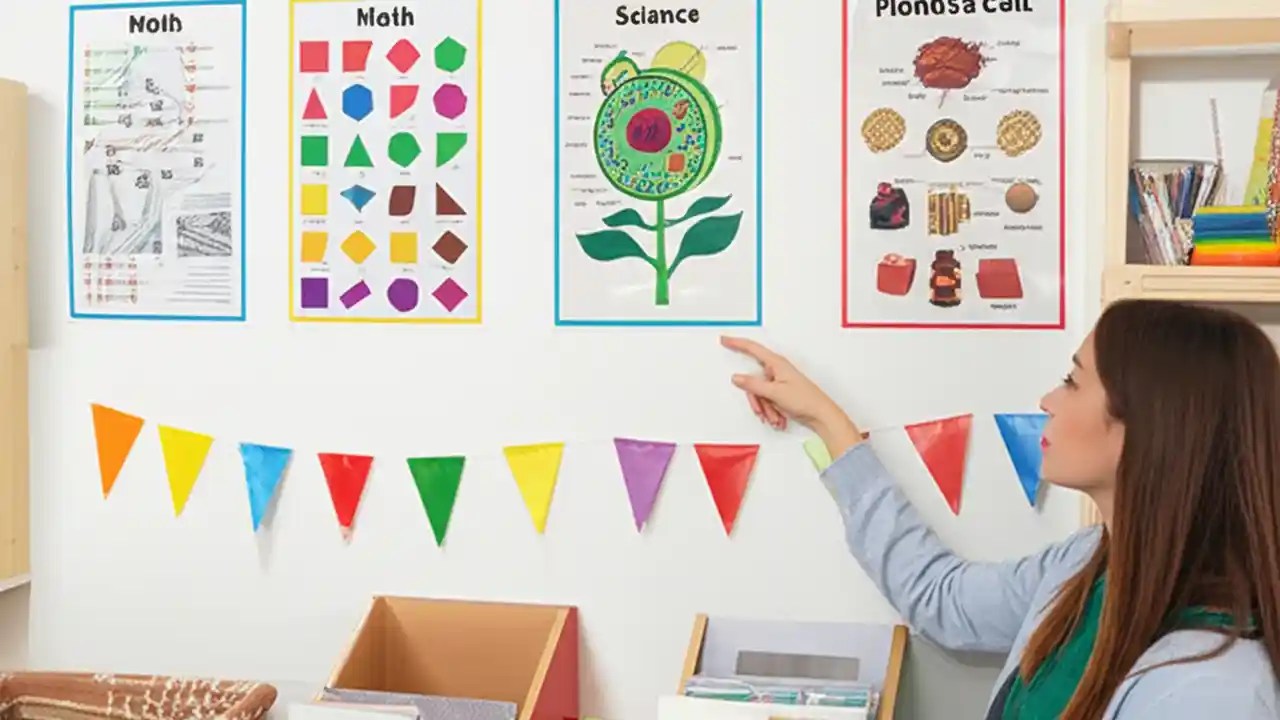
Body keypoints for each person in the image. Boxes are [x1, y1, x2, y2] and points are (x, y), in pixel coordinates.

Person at [722, 299, 1280, 719]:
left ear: (1151, 428)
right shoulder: (1088, 565)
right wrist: (827, 421)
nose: (1046, 402)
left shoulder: (1212, 687)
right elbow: (942, 598)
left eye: (1072, 382)